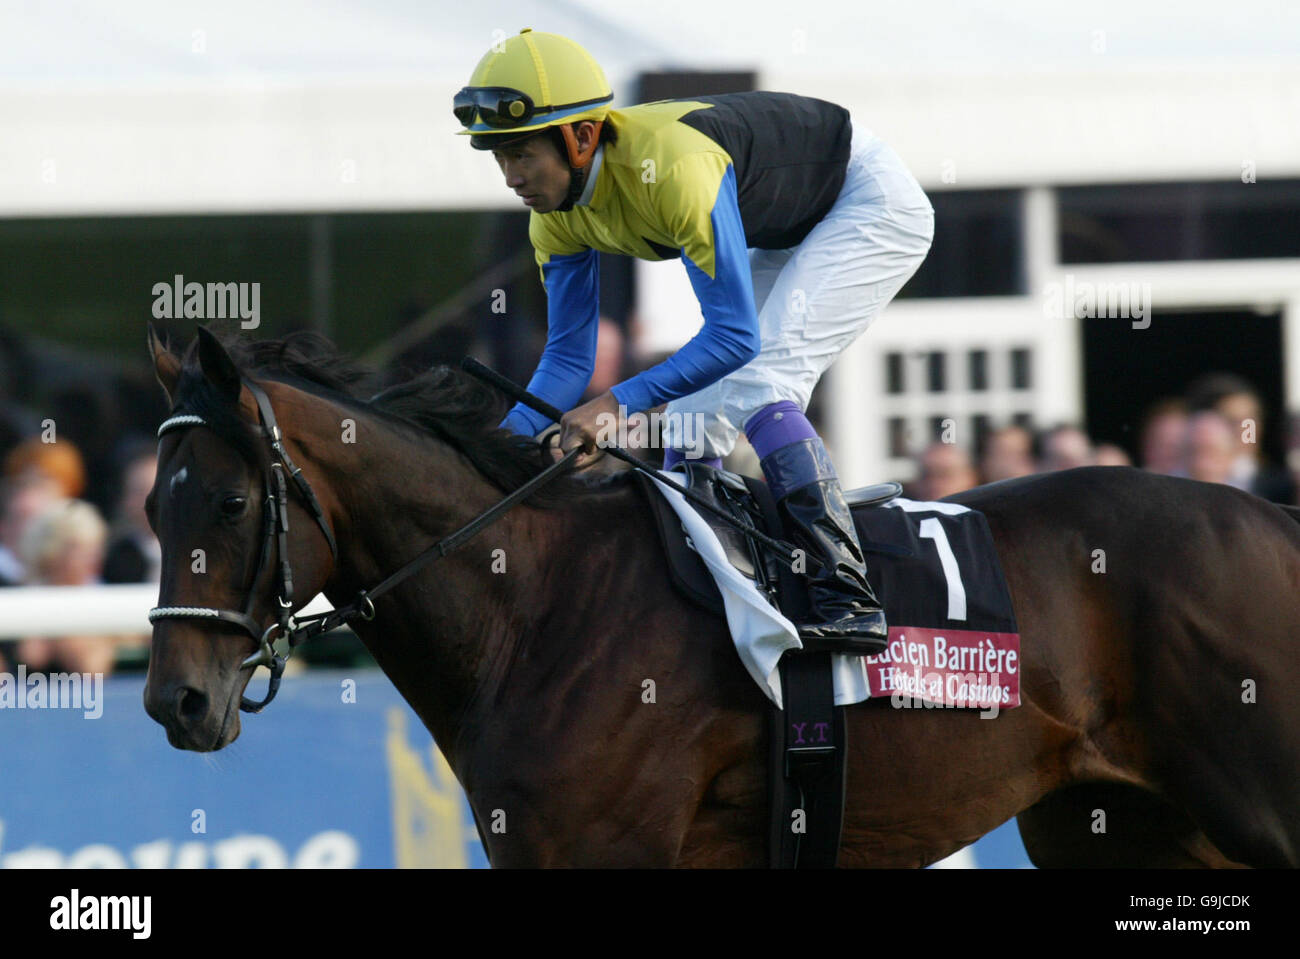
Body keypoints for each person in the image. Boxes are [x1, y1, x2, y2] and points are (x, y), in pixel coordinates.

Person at [455, 29, 934, 650]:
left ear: (579, 137)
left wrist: (616, 405)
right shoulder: (553, 219)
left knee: (760, 378)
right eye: (499, 158)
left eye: (522, 155)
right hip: (786, 223)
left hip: (866, 200)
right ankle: (710, 577)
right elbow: (568, 358)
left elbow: (734, 339)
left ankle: (847, 592)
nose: (512, 177)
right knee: (691, 419)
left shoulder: (673, 169)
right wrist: (498, 452)